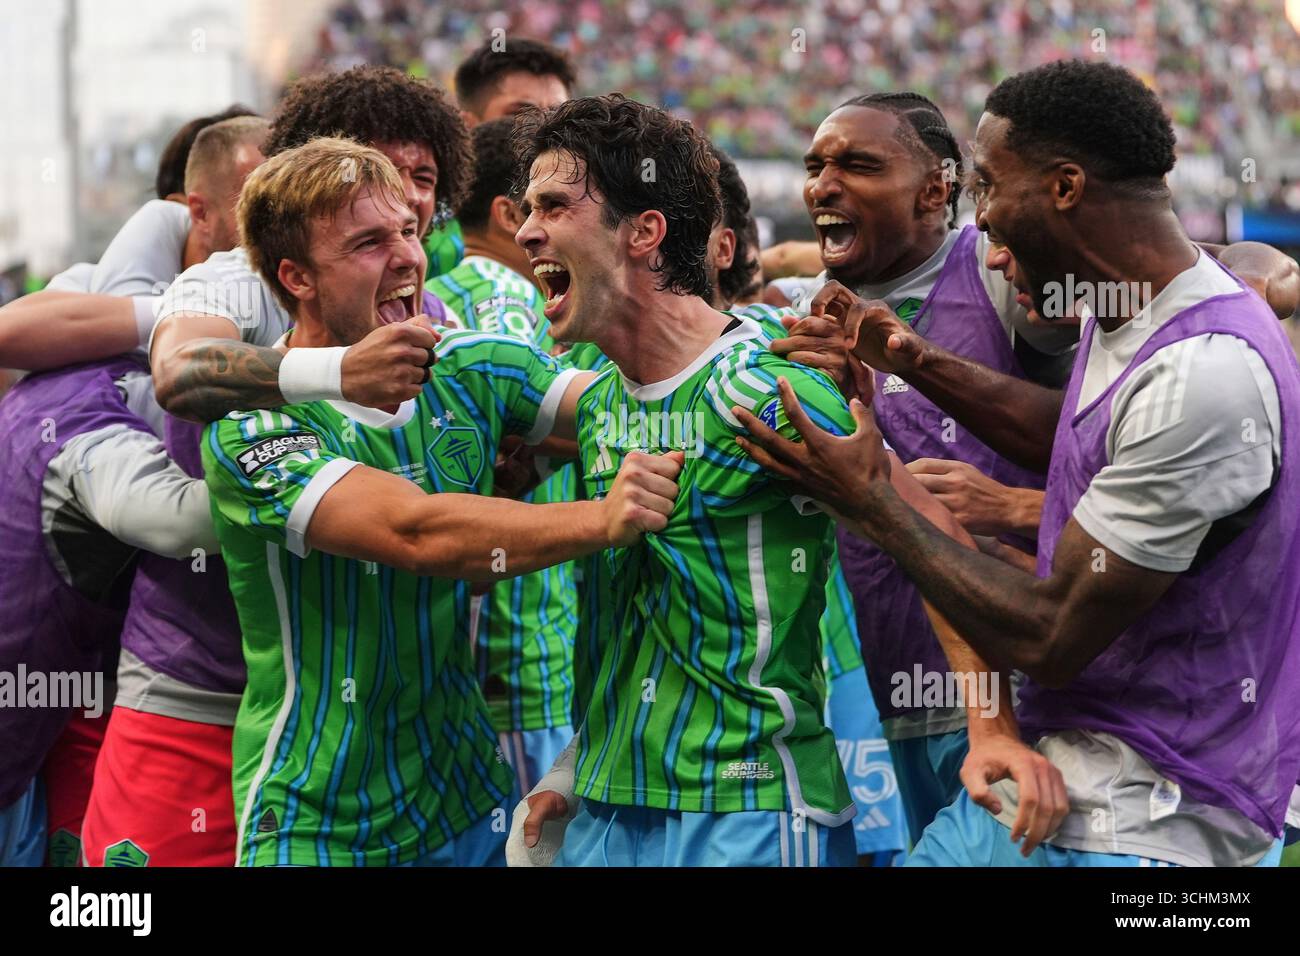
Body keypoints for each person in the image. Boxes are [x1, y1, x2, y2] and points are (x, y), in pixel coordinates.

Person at [735, 60, 1300, 867]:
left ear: (1065, 187)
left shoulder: (1203, 375)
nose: (986, 230)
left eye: (990, 191)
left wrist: (873, 498)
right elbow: (1065, 434)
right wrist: (914, 360)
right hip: (1059, 762)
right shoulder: (1131, 313)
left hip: (1142, 811)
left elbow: (1052, 634)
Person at [507, 95, 1053, 866]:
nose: (527, 230)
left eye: (555, 206)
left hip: (748, 808)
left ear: (644, 231)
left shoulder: (765, 388)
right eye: (528, 207)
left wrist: (991, 726)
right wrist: (571, 770)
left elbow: (928, 536)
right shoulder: (597, 398)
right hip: (607, 805)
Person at [202, 135, 679, 865]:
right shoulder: (251, 429)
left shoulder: (470, 364)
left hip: (463, 796)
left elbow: (636, 411)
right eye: (368, 242)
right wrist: (602, 517)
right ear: (296, 276)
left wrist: (749, 360)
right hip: (316, 814)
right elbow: (413, 532)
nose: (406, 258)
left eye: (408, 232)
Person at [422, 37, 576, 278]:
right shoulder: (424, 230)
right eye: (521, 113)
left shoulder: (584, 219)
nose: (544, 129)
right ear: (466, 126)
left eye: (558, 114)